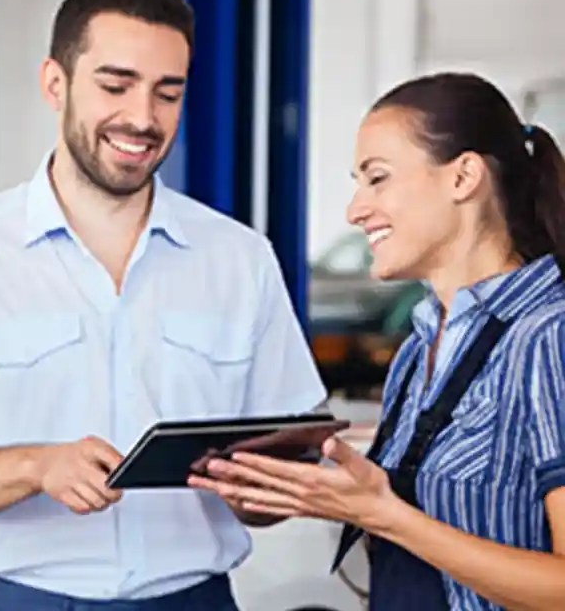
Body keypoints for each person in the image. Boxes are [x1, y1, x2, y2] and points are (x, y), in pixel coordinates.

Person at [0, 0, 328, 610]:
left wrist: (264, 494)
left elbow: (285, 466)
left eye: (168, 93)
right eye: (116, 85)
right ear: (55, 84)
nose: (142, 118)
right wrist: (36, 466)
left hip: (195, 599)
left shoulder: (239, 260)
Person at [190, 72, 565, 610]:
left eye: (377, 179)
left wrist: (382, 513)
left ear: (463, 177)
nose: (355, 210)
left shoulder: (548, 336)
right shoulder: (418, 349)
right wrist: (307, 493)